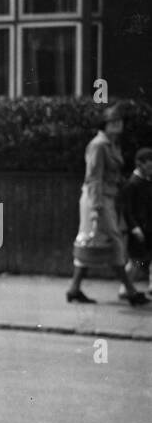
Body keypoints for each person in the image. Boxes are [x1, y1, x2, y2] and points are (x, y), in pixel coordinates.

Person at [67, 104, 147, 306]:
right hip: (98, 199)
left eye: (119, 122)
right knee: (114, 242)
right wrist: (95, 208)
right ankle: (129, 290)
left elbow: (113, 175)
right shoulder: (99, 145)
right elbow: (94, 178)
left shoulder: (112, 145)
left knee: (93, 243)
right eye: (112, 122)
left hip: (107, 198)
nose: (117, 125)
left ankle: (74, 289)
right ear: (105, 124)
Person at [118, 146, 152, 286]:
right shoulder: (132, 184)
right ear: (140, 164)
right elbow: (127, 209)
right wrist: (134, 227)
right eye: (149, 165)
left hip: (148, 227)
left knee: (147, 259)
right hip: (138, 229)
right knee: (136, 261)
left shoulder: (147, 182)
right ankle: (125, 287)